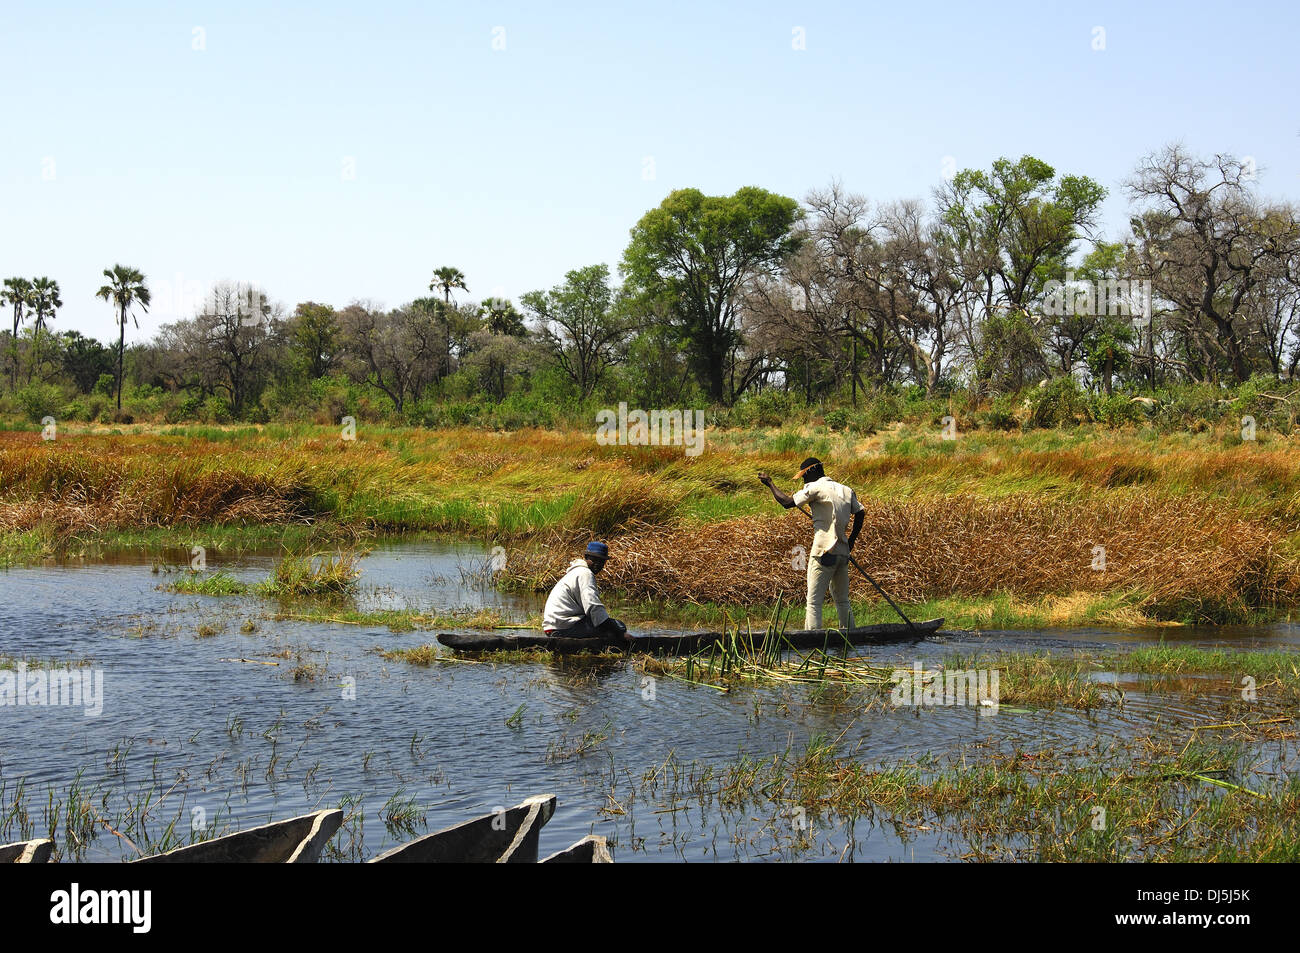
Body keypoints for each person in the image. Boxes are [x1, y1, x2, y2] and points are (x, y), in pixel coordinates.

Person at [758, 457, 864, 631]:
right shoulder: (846, 490)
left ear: (811, 472)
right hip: (843, 552)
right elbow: (860, 512)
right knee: (843, 601)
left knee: (814, 602)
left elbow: (786, 502)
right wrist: (851, 540)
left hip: (824, 552)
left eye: (803, 477)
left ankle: (813, 642)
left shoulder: (816, 487)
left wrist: (770, 483)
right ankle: (849, 639)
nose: (803, 481)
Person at [542, 540, 629, 640]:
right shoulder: (585, 573)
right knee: (618, 626)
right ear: (586, 558)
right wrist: (617, 630)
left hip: (556, 626)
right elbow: (593, 606)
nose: (598, 564)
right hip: (563, 627)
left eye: (601, 561)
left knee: (611, 625)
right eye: (594, 560)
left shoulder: (577, 571)